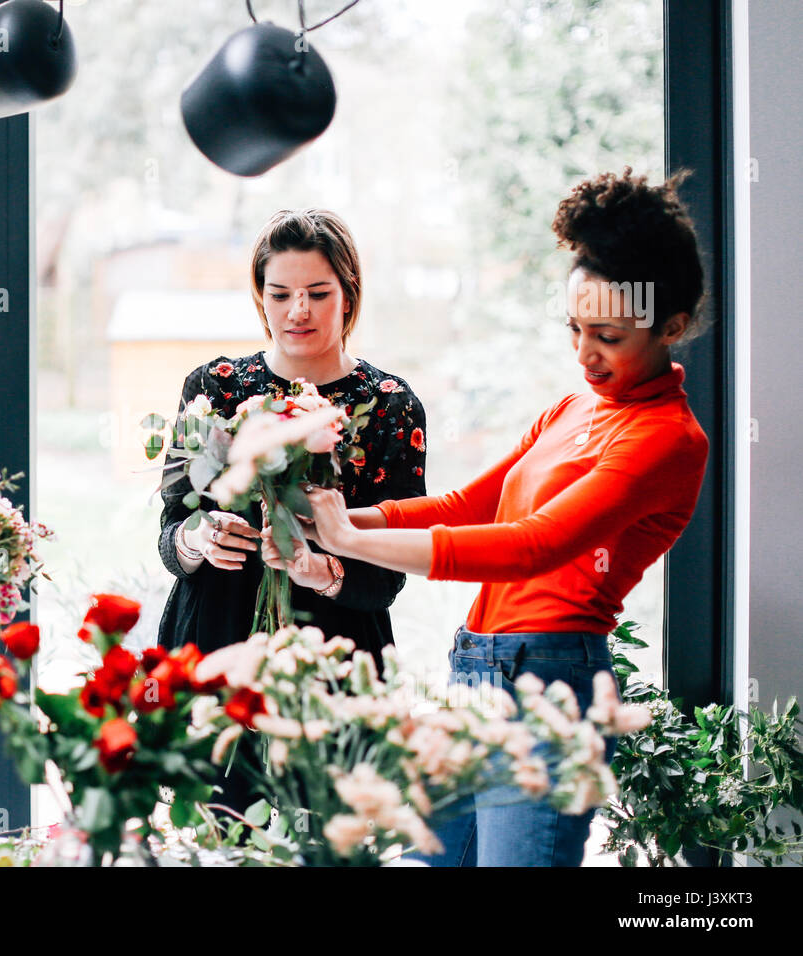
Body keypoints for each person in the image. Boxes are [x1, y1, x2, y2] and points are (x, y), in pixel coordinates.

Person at [302, 169, 710, 866]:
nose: (584, 354)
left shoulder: (668, 438)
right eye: (575, 328)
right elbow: (472, 505)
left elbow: (534, 546)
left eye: (607, 336)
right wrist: (339, 522)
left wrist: (350, 542)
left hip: (551, 686)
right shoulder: (572, 407)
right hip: (477, 673)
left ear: (671, 326)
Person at [157, 208, 427, 811]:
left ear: (348, 296)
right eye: (279, 294)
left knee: (327, 836)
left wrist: (324, 570)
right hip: (215, 642)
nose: (297, 311)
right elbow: (170, 530)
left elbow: (392, 571)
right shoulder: (215, 388)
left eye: (316, 293)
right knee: (217, 836)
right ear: (260, 298)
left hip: (336, 654)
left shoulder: (389, 406)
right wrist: (198, 540)